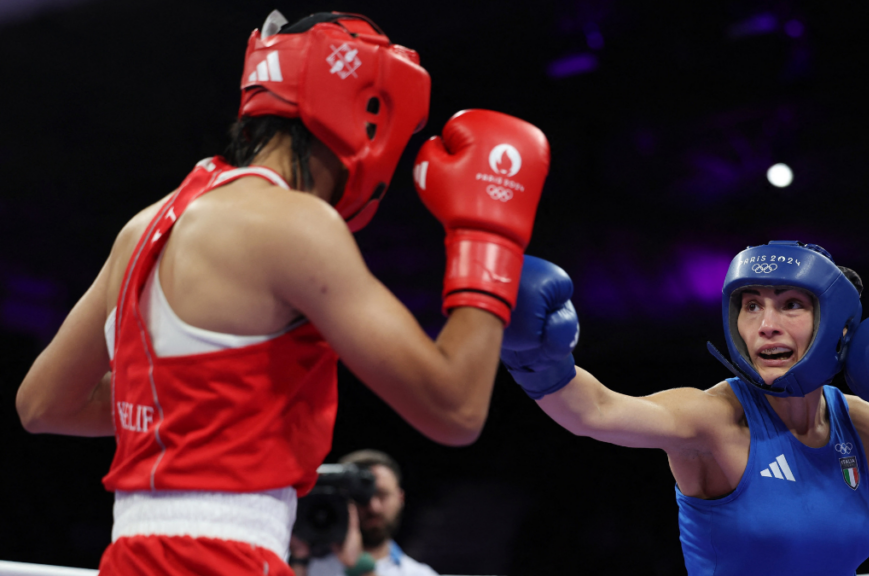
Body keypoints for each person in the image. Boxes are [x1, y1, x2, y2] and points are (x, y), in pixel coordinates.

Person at [15, 10, 550, 576]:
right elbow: (455, 409)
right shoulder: (296, 225)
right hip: (223, 559)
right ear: (366, 111)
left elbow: (45, 403)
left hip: (130, 556)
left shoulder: (146, 225)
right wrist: (488, 238)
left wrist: (195, 413)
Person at [501, 243, 869, 575]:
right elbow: (594, 411)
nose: (765, 325)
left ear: (838, 326)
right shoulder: (712, 418)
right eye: (751, 305)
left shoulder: (864, 428)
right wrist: (539, 360)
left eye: (790, 304)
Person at [292, 450, 438, 576]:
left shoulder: (419, 574)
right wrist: (298, 559)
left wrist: (359, 564)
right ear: (341, 500)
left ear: (401, 498)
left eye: (382, 495)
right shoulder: (302, 562)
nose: (373, 507)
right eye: (361, 498)